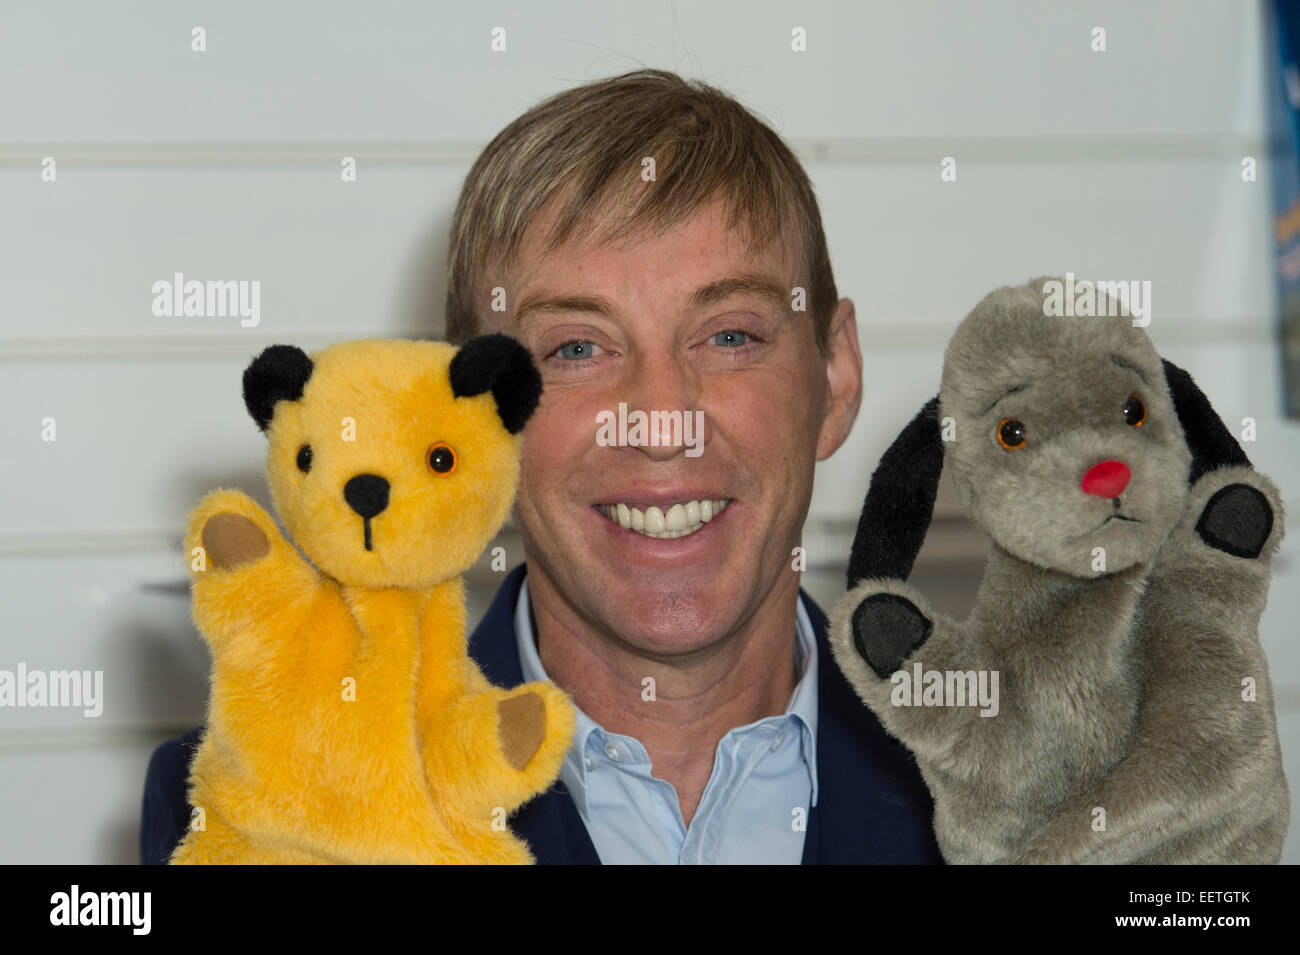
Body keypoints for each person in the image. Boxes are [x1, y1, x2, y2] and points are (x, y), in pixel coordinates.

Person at [141, 68, 941, 865]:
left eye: (729, 335)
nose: (662, 423)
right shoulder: (251, 809)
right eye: (577, 348)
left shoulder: (1010, 779)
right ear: (465, 429)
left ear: (835, 377)